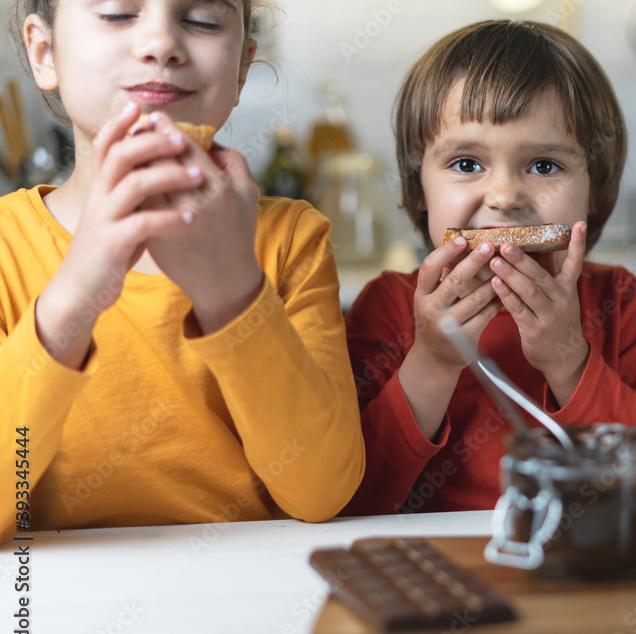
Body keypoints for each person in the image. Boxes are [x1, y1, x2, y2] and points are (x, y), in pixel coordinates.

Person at [0, 0, 364, 540]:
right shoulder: (7, 246)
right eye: (119, 13)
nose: (161, 43)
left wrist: (234, 293)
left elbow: (321, 492)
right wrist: (76, 293)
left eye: (201, 20)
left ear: (241, 68)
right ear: (44, 51)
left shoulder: (291, 240)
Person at [342, 20, 636, 516]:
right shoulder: (387, 306)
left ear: (594, 190)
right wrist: (433, 361)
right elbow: (349, 499)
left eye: (545, 165)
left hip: (587, 561)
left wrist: (570, 358)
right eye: (466, 163)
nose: (505, 198)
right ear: (419, 190)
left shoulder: (617, 298)